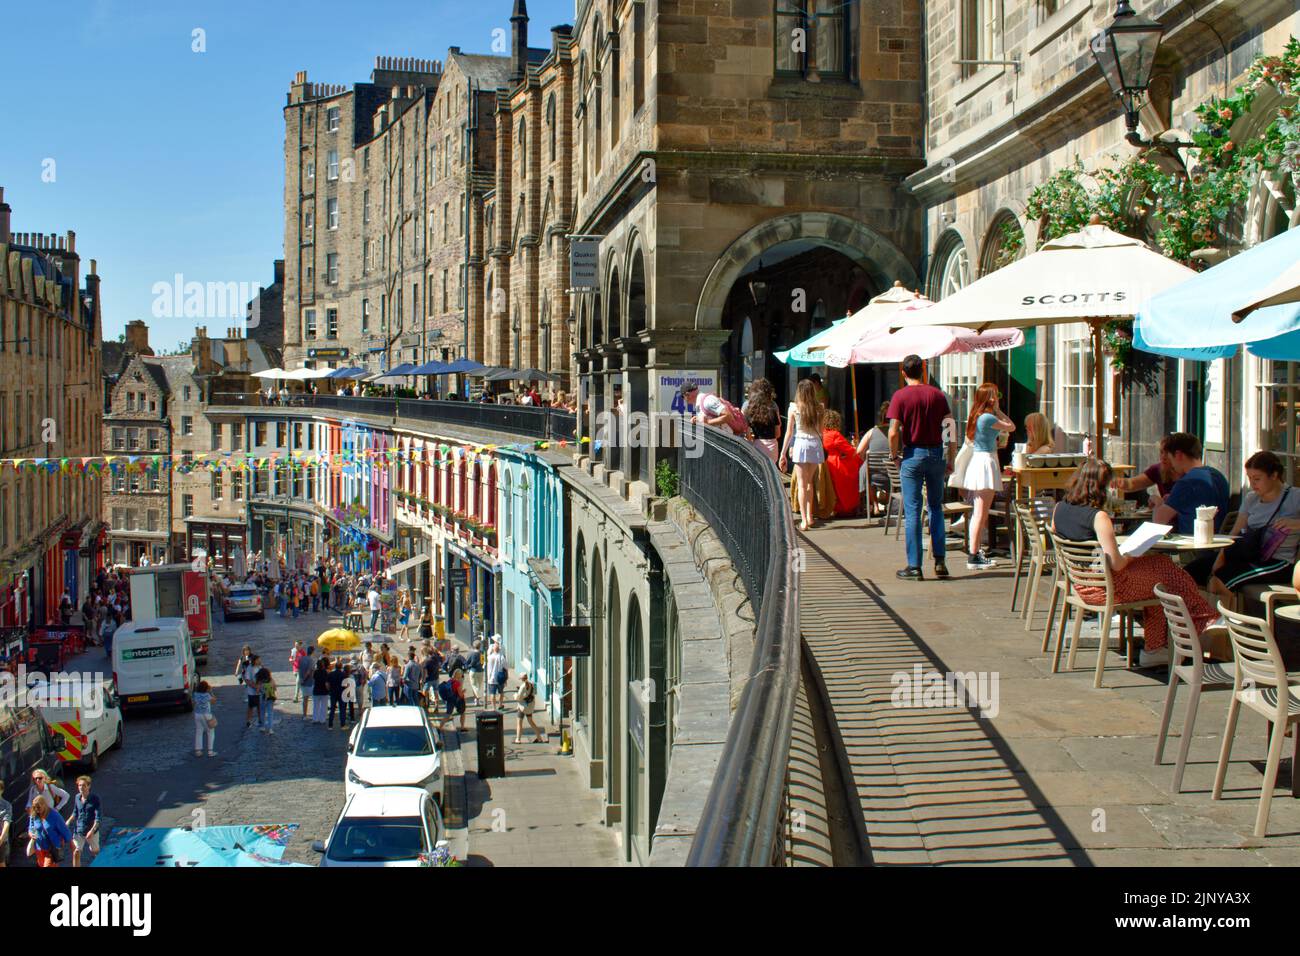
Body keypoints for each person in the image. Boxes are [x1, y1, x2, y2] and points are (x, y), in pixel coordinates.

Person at [1051, 458, 1217, 667]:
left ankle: (1161, 645)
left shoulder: (1059, 509)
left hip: (1080, 584)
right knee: (1162, 575)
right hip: (1108, 588)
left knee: (1159, 567)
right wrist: (1132, 554)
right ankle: (1198, 620)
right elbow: (1117, 564)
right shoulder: (1098, 517)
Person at [888, 354, 956, 580]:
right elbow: (950, 428)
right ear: (923, 370)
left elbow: (893, 431)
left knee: (913, 510)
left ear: (903, 373)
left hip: (913, 455)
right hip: (936, 453)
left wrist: (894, 454)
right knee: (936, 507)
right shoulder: (937, 395)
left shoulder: (900, 396)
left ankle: (915, 566)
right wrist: (952, 458)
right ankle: (940, 561)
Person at [1208, 450, 1300, 609]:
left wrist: (1295, 524)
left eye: (1257, 479)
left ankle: (1230, 625)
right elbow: (1235, 533)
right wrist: (1220, 557)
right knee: (1194, 570)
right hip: (1251, 555)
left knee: (1220, 580)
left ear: (1274, 475)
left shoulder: (1295, 497)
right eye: (1250, 479)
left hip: (1280, 562)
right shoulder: (1251, 498)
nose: (1252, 484)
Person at [958, 383, 1017, 570]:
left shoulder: (977, 416)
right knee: (980, 513)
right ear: (985, 399)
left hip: (981, 460)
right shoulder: (988, 417)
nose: (995, 398)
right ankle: (973, 554)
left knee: (979, 512)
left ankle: (975, 552)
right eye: (991, 396)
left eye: (995, 395)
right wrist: (999, 411)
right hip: (985, 462)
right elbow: (1012, 427)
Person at [1153, 432, 1229, 536]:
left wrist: (1158, 502)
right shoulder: (1218, 476)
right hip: (1219, 543)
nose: (1172, 465)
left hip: (1192, 546)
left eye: (1171, 459)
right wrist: (1172, 499)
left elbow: (1158, 522)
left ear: (1178, 455)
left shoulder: (1187, 482)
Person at [779, 379, 828, 532]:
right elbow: (821, 432)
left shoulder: (793, 408)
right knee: (810, 483)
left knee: (801, 483)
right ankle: (810, 516)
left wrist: (783, 453)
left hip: (800, 443)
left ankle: (804, 520)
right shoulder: (820, 408)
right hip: (815, 444)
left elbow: (789, 432)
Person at [821, 411, 862, 517]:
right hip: (837, 462)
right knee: (851, 477)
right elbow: (849, 451)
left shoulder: (823, 433)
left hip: (828, 461)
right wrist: (855, 449)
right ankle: (847, 506)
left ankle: (836, 507)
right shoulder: (835, 435)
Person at [1111, 447, 1176, 503]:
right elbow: (1133, 484)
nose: (1163, 457)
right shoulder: (1157, 469)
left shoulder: (1185, 476)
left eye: (1167, 453)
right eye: (1161, 452)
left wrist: (1159, 502)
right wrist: (1120, 482)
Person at [26, 794, 72, 867]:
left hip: (52, 848)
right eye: (34, 807)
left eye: (38, 807)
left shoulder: (54, 815)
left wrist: (70, 844)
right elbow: (31, 828)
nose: (37, 809)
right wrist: (31, 834)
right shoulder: (34, 815)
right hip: (39, 848)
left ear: (44, 805)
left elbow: (65, 830)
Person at [745, 383, 782, 464]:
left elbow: (747, 436)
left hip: (758, 446)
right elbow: (778, 434)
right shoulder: (773, 410)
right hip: (772, 447)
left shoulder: (750, 411)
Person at [69, 776, 101, 867]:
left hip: (91, 830)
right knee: (76, 852)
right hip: (79, 829)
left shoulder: (95, 799)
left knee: (95, 852)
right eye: (79, 785)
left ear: (88, 786)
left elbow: (98, 818)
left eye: (83, 785)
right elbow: (75, 812)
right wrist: (67, 822)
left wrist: (92, 830)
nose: (81, 787)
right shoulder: (77, 797)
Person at [514, 673, 547, 744]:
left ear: (521, 679)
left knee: (519, 723)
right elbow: (534, 693)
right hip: (529, 707)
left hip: (522, 707)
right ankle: (539, 738)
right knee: (531, 722)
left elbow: (518, 698)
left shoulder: (522, 686)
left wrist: (515, 695)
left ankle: (518, 739)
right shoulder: (531, 684)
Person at [193, 680, 217, 757]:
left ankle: (198, 751)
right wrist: (211, 692)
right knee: (210, 732)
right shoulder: (207, 695)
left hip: (197, 714)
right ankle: (210, 752)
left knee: (199, 731)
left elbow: (194, 703)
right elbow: (214, 701)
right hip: (206, 714)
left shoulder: (195, 694)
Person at [238, 649, 259, 729]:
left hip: (257, 690)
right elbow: (247, 680)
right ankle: (249, 721)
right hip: (253, 690)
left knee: (257, 706)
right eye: (258, 660)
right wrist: (255, 686)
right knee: (251, 707)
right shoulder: (249, 668)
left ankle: (259, 721)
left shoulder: (258, 667)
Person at [486, 637, 508, 711]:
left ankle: (494, 707)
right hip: (500, 678)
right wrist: (506, 679)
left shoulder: (489, 657)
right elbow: (506, 668)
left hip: (491, 679)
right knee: (501, 692)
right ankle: (500, 704)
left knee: (492, 693)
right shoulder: (501, 657)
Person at [255, 661, 277, 734]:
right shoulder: (271, 680)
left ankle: (262, 727)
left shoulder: (260, 681)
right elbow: (275, 688)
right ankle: (271, 729)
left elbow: (257, 691)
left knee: (262, 712)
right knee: (270, 713)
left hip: (262, 698)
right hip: (270, 698)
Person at [462, 639, 483, 707]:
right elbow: (483, 662)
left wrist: (467, 667)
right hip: (480, 671)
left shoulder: (471, 653)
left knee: (474, 686)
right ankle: (477, 700)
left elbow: (467, 662)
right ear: (480, 646)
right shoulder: (482, 653)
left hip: (473, 671)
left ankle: (476, 698)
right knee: (478, 686)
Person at [326, 660, 346, 729]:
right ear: (341, 667)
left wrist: (329, 690)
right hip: (341, 693)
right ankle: (342, 725)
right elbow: (346, 685)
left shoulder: (331, 674)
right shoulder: (344, 674)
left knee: (332, 709)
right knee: (342, 709)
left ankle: (330, 725)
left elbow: (327, 684)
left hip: (333, 693)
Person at [312, 655, 331, 723]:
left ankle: (315, 718)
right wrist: (329, 689)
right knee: (324, 706)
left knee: (315, 706)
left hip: (316, 690)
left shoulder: (315, 672)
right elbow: (327, 683)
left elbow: (313, 680)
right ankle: (322, 719)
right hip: (324, 691)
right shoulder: (326, 672)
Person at [298, 646, 316, 719]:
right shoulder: (311, 660)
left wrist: (301, 679)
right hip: (309, 682)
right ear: (312, 652)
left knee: (305, 700)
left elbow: (299, 669)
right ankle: (315, 715)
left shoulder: (301, 659)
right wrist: (304, 679)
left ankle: (304, 715)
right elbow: (309, 672)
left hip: (303, 682)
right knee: (314, 700)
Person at [0, 781, 11, 868]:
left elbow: (6, 824)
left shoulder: (6, 805)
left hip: (1, 840)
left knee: (1, 863)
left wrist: (1, 840)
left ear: (2, 790)